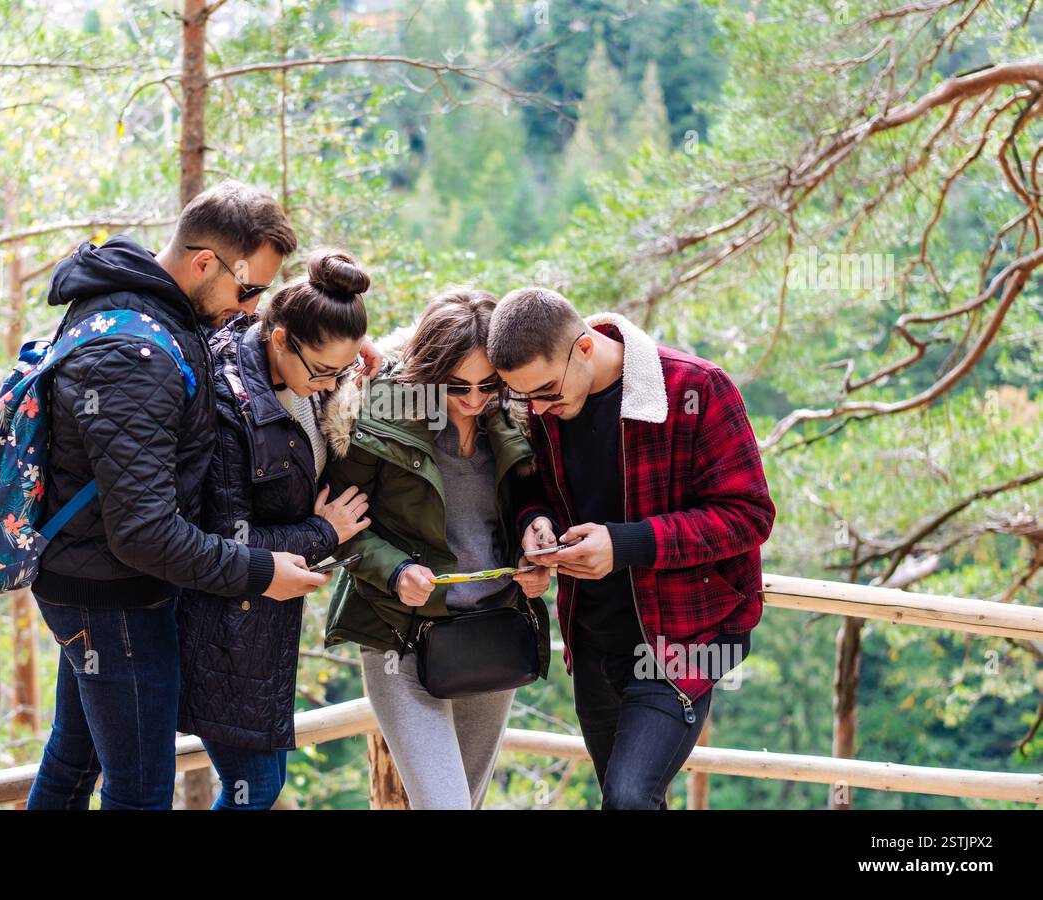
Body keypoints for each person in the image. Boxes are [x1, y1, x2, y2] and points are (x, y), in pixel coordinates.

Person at [25, 180, 330, 810]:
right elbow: (143, 532)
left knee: (71, 765)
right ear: (203, 264)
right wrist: (256, 571)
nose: (249, 308)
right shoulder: (134, 357)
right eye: (248, 290)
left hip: (86, 580)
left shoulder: (136, 301)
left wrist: (342, 358)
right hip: (115, 600)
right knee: (139, 794)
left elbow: (230, 347)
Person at [486, 287, 776, 810]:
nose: (539, 408)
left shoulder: (698, 387)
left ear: (585, 347)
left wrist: (625, 545)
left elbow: (749, 516)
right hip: (592, 640)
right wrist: (535, 523)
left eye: (547, 392)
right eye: (526, 397)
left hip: (685, 640)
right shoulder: (543, 404)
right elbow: (533, 488)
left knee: (628, 799)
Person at [321, 288, 551, 810]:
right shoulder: (377, 409)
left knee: (464, 802)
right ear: (428, 370)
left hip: (492, 630)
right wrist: (396, 569)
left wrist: (534, 554)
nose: (474, 399)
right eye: (458, 386)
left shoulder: (517, 411)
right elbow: (339, 526)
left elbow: (532, 500)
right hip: (398, 633)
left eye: (488, 384)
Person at [176, 249, 373, 809]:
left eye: (344, 369)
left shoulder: (306, 374)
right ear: (280, 339)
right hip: (218, 620)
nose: (331, 383)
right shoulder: (228, 401)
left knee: (260, 785)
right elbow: (224, 538)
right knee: (255, 786)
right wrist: (322, 533)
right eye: (323, 371)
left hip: (262, 624)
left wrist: (348, 372)